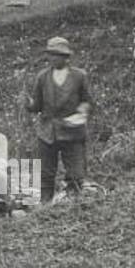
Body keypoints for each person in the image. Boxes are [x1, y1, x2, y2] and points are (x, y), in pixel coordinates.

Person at [27, 36, 92, 203]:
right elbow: (37, 106)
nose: (53, 58)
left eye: (57, 55)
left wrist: (82, 111)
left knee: (76, 172)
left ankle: (75, 202)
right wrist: (28, 104)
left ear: (66, 57)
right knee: (46, 172)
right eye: (50, 54)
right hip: (48, 132)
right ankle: (45, 204)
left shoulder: (79, 76)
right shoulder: (42, 77)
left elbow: (87, 100)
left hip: (72, 130)